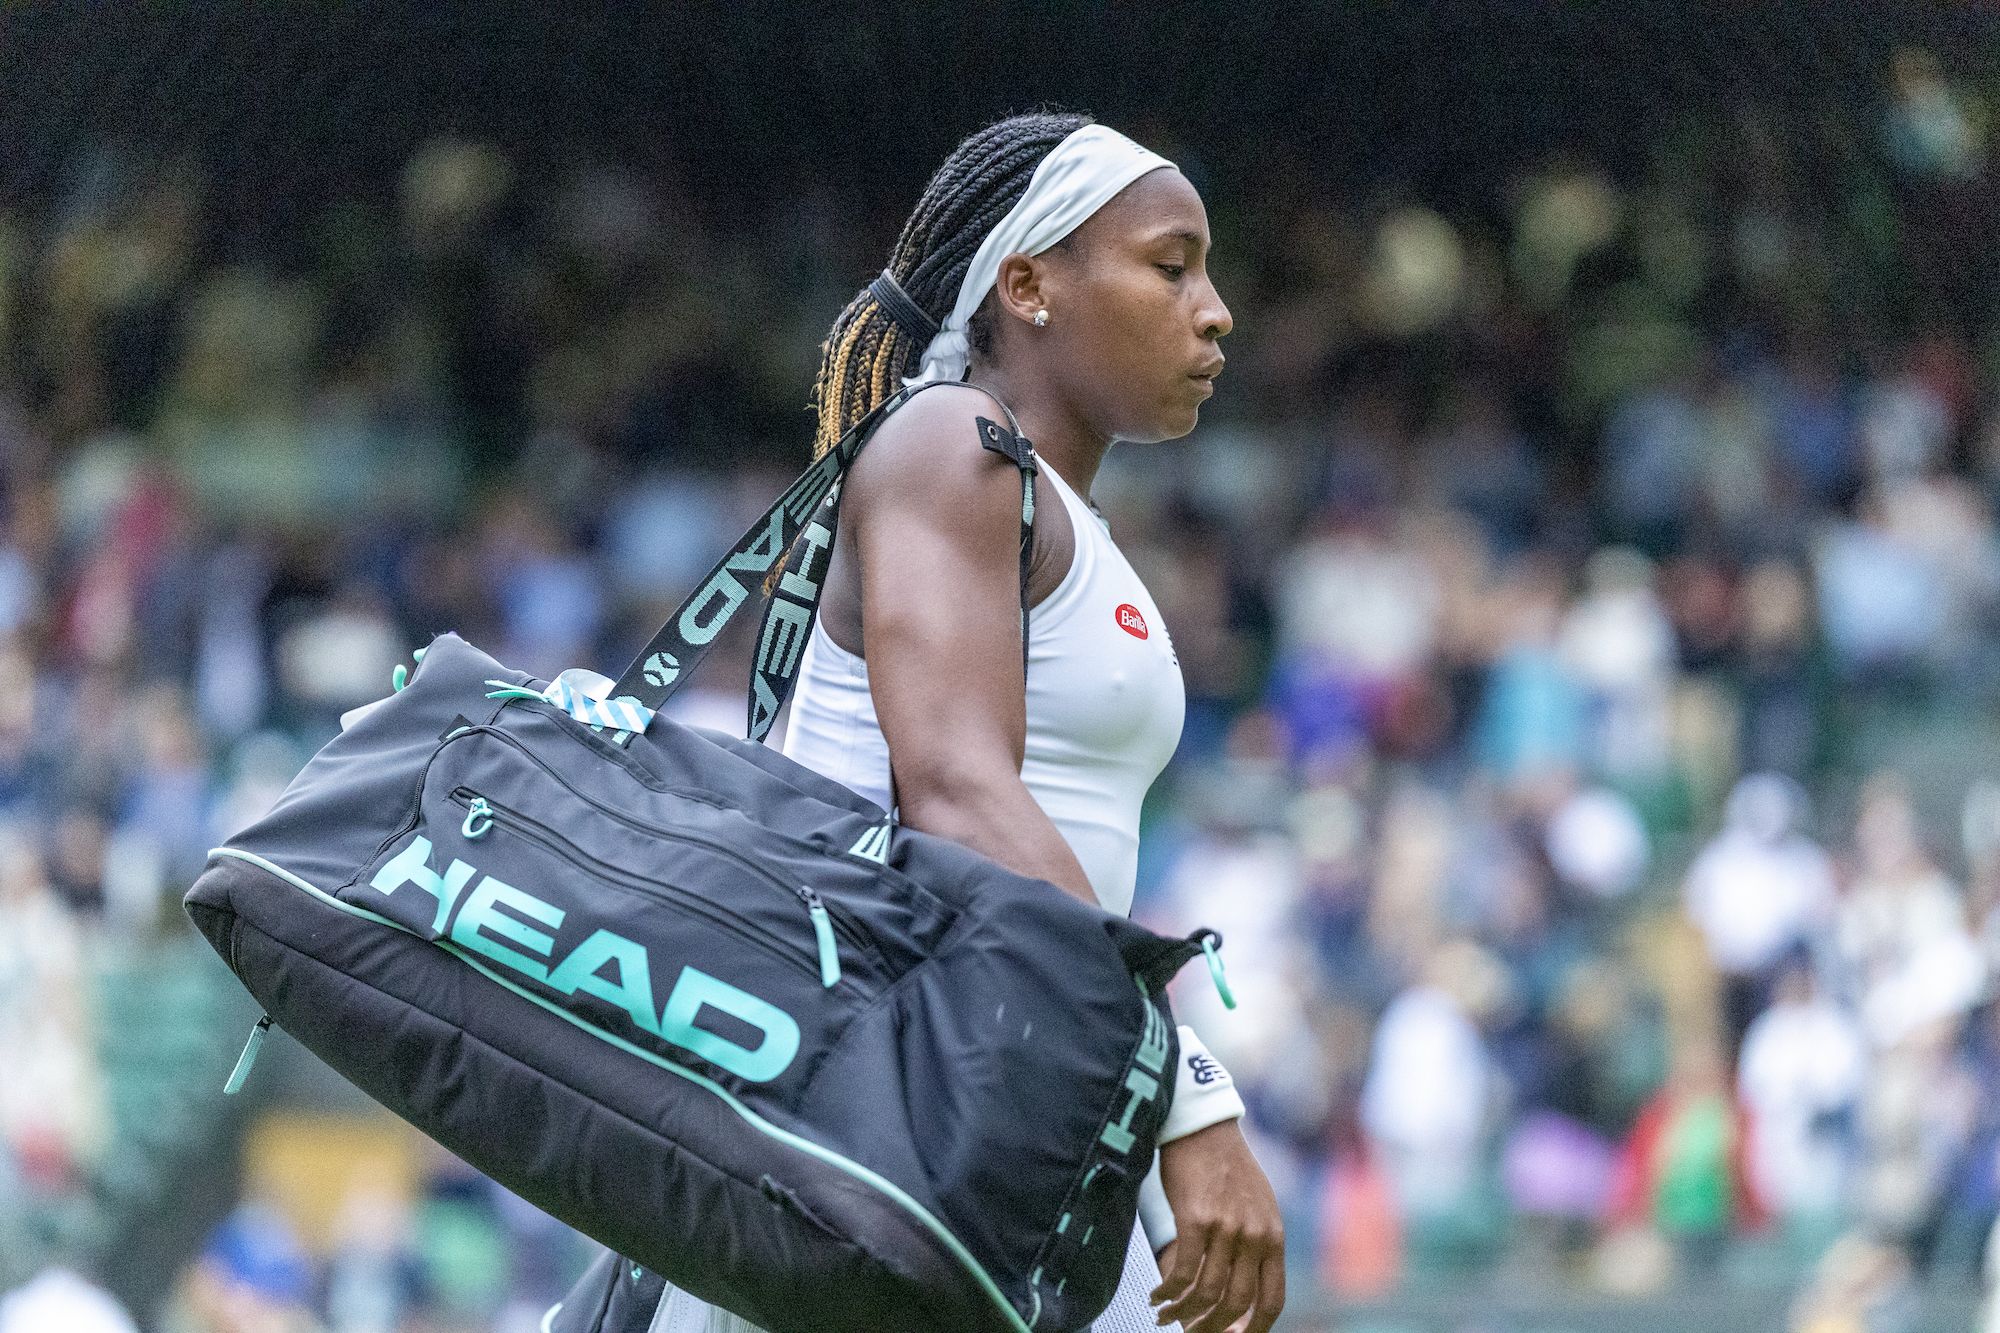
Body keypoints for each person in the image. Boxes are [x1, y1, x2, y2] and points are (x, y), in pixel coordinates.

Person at [562, 111, 1285, 1333]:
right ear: (1027, 285)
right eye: (1170, 266)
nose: (1213, 310)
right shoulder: (953, 443)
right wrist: (1188, 1096)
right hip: (882, 1129)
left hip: (987, 1117)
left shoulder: (1043, 502)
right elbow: (955, 793)